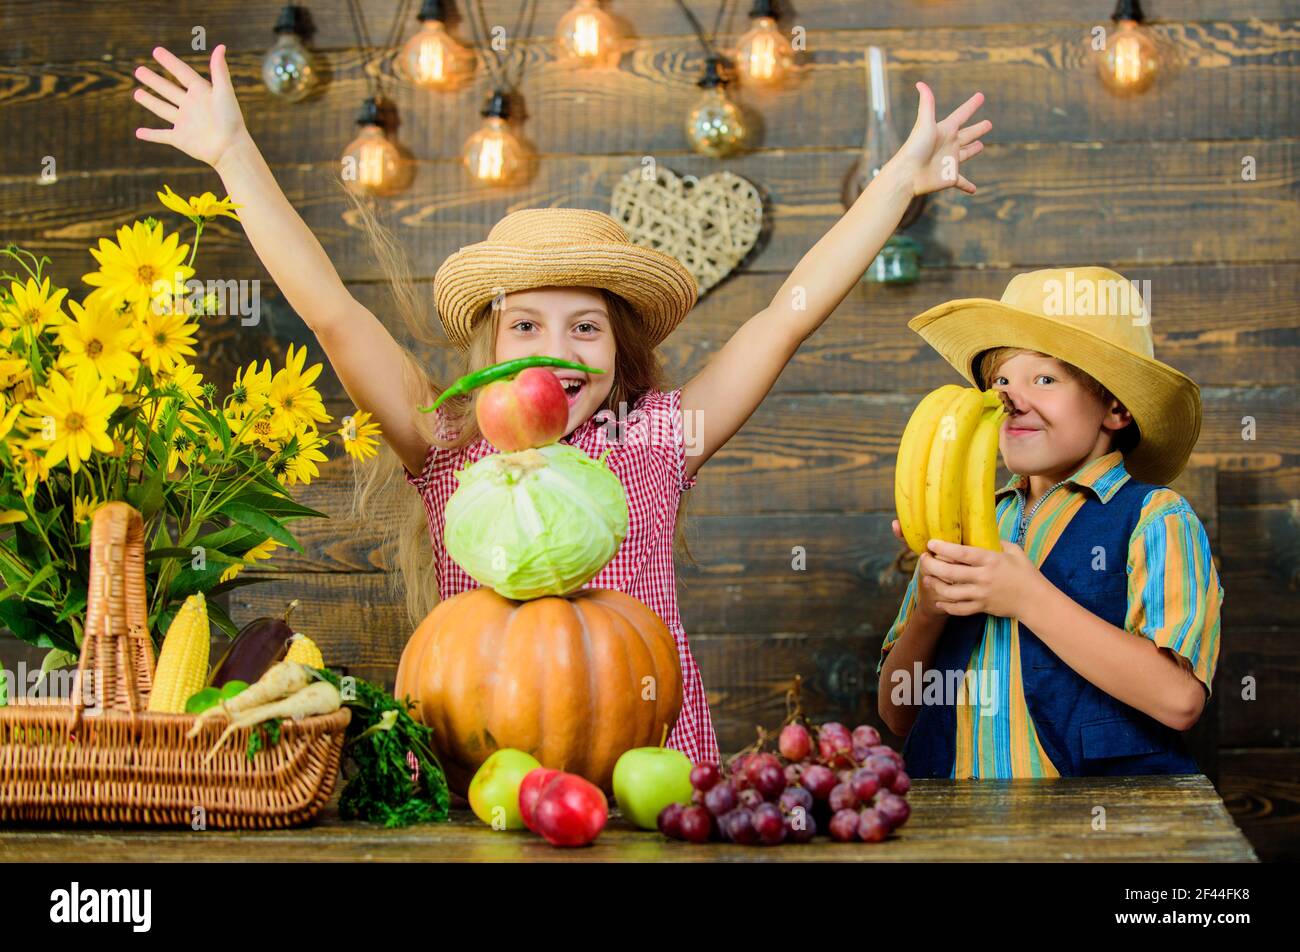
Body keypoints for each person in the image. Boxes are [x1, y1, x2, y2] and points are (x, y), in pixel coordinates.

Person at [132, 43, 990, 765]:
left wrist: (896, 188)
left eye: (586, 326)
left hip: (651, 778)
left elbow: (783, 319)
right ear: (493, 350)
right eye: (528, 325)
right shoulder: (447, 446)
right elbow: (334, 313)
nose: (558, 349)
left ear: (620, 355)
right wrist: (234, 155)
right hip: (482, 775)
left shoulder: (659, 438)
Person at [878, 267, 1223, 777]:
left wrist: (1026, 597)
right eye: (1000, 380)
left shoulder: (1155, 518)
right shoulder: (962, 521)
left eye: (1044, 378)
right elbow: (897, 713)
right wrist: (930, 609)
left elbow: (1179, 700)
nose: (1009, 399)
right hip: (961, 831)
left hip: (1100, 836)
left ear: (1116, 408)